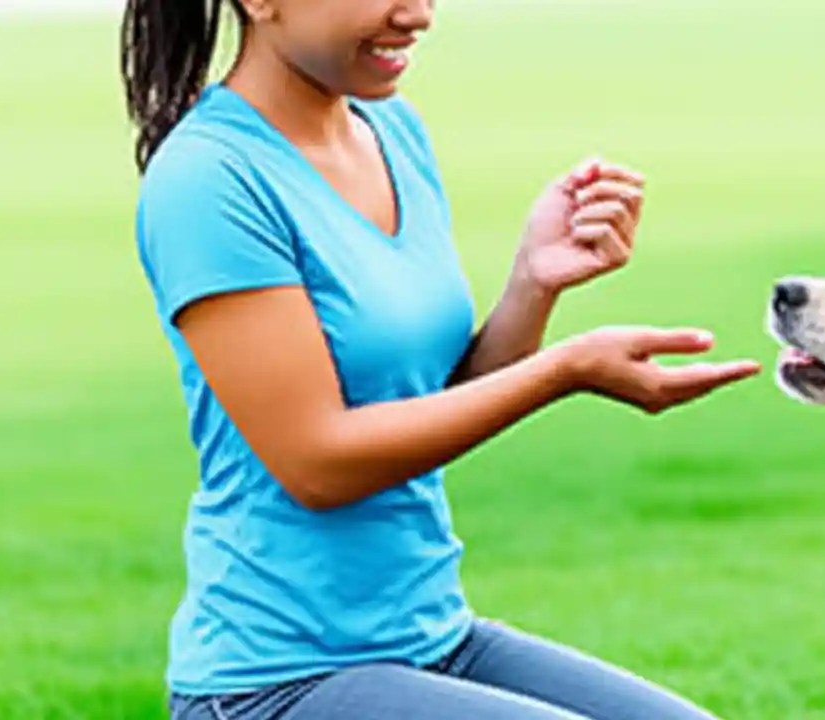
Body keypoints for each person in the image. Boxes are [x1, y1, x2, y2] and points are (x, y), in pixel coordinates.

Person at [120, 0, 760, 718]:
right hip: (277, 678)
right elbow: (318, 464)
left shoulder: (390, 130)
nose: (418, 13)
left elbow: (425, 410)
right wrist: (565, 370)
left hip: (429, 638)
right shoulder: (210, 179)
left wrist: (532, 285)